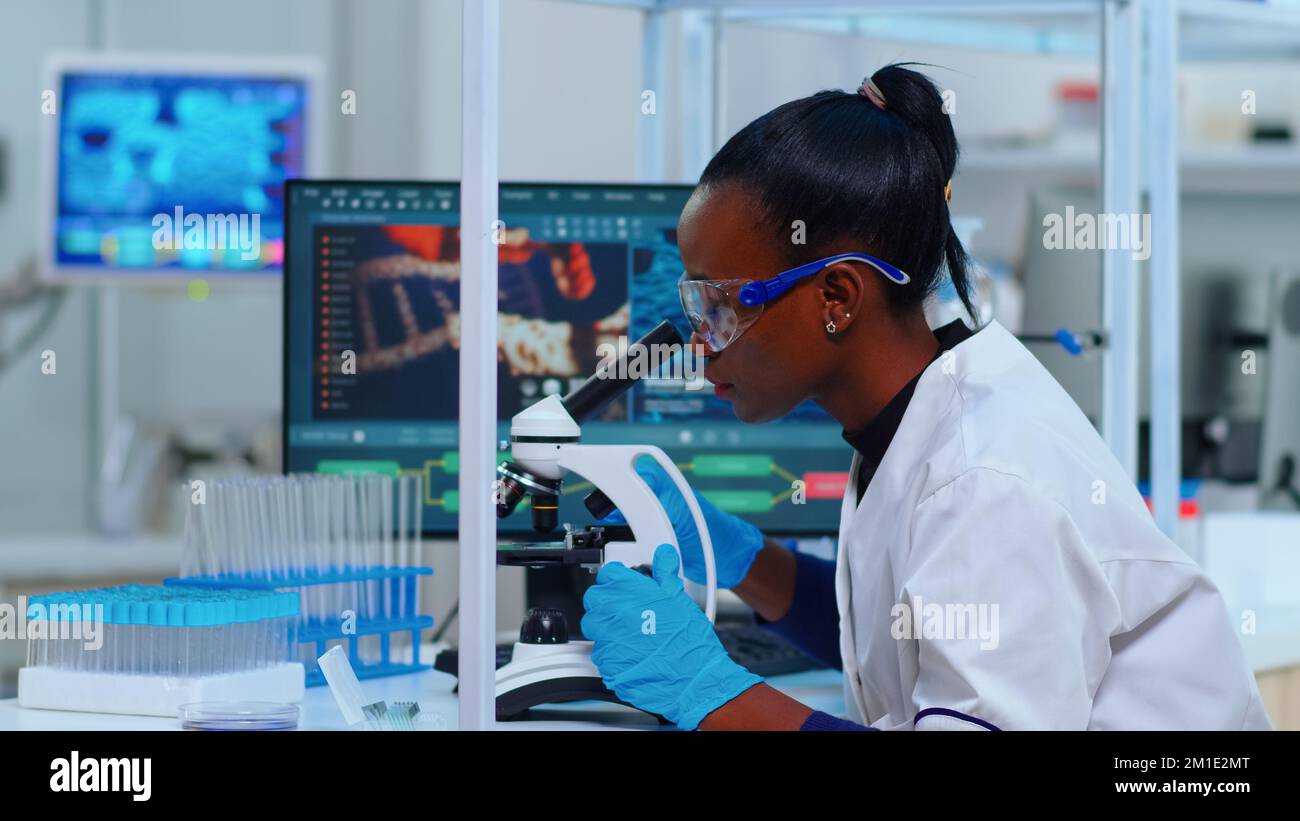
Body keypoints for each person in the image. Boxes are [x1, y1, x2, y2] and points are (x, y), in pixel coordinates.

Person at [579, 64, 1272, 731]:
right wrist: (739, 558)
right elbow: (904, 632)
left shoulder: (985, 481)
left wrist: (707, 691)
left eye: (719, 304)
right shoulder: (914, 415)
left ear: (837, 298)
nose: (700, 342)